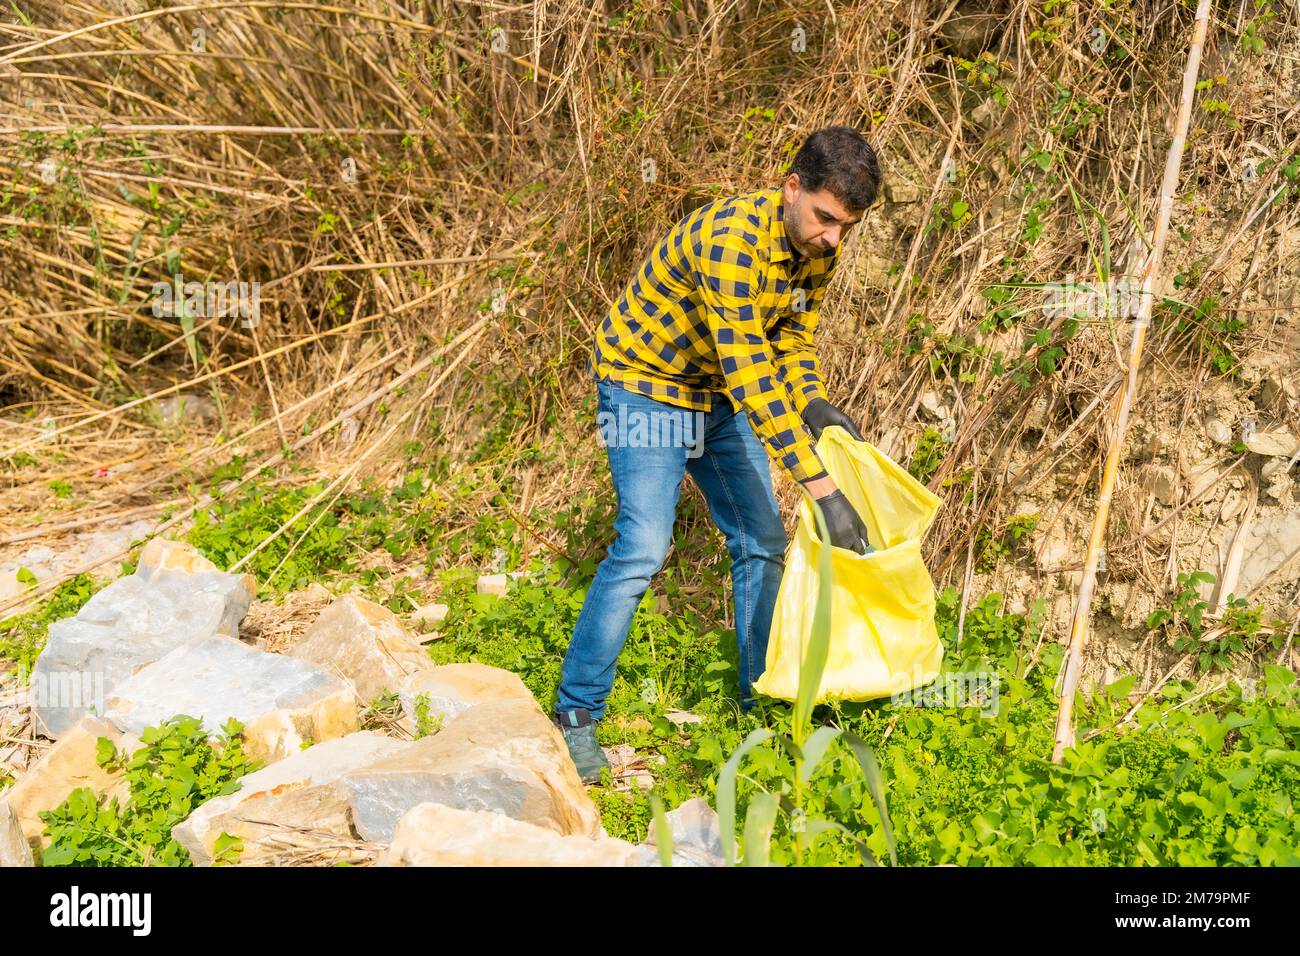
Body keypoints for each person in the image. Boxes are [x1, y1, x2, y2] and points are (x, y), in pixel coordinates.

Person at [554, 126, 881, 783]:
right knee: (644, 546)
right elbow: (754, 380)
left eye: (846, 226)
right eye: (824, 218)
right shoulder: (731, 242)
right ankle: (575, 717)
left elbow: (790, 338)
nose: (833, 239)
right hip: (646, 387)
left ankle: (758, 703)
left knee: (761, 541)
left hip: (714, 392)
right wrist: (824, 492)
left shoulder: (816, 246)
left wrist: (812, 401)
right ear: (792, 186)